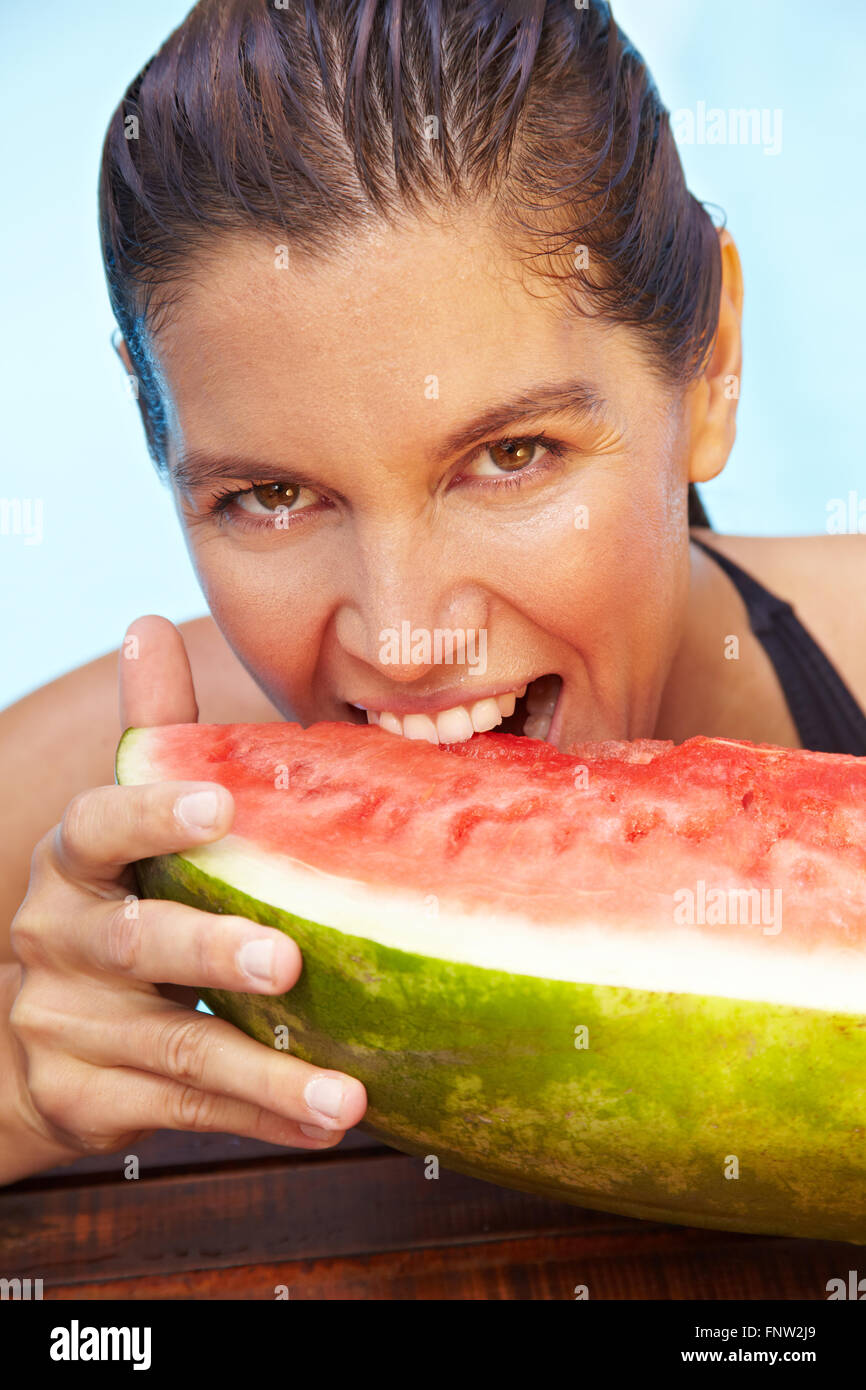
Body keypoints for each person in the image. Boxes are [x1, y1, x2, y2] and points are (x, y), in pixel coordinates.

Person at [1, 0, 864, 1186]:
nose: (399, 636)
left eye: (510, 456)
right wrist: (20, 1100)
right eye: (268, 495)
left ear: (709, 363)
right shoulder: (85, 792)